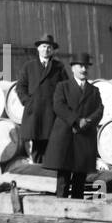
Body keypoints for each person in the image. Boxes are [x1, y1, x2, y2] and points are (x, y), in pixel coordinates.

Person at [43, 52, 104, 199]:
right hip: (65, 137)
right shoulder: (62, 86)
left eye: (86, 66)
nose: (83, 69)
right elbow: (58, 106)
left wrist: (88, 121)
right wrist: (77, 120)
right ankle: (61, 210)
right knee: (63, 179)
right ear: (73, 68)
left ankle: (77, 212)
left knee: (79, 181)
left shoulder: (94, 91)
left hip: (84, 138)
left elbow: (99, 109)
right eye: (80, 66)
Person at [16, 33, 70, 163]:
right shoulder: (29, 66)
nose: (46, 49)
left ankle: (51, 178)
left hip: (52, 113)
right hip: (36, 113)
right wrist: (27, 102)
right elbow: (20, 86)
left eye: (49, 47)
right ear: (38, 48)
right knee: (37, 149)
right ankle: (38, 178)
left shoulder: (59, 67)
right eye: (44, 46)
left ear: (52, 50)